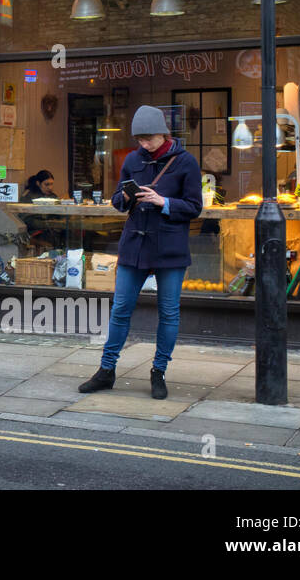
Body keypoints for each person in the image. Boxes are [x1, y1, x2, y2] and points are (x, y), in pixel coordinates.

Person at [79, 105, 203, 400]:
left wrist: (164, 202)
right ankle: (106, 371)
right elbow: (117, 200)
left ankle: (158, 372)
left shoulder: (186, 162)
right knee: (120, 309)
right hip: (134, 245)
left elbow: (195, 207)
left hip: (169, 246)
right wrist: (122, 196)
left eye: (149, 139)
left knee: (169, 313)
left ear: (163, 133)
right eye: (140, 139)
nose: (144, 145)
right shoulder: (133, 159)